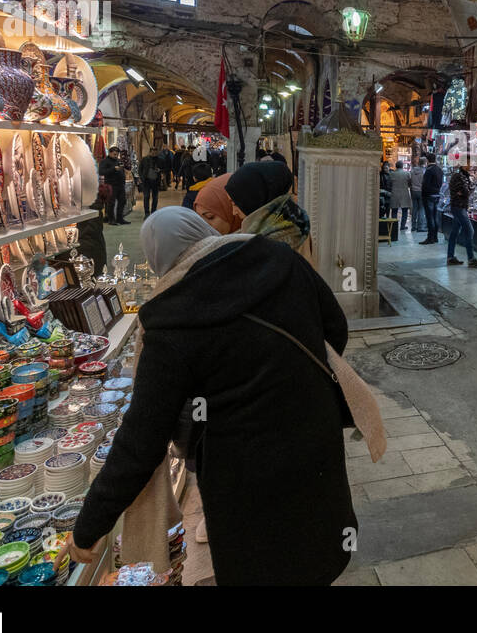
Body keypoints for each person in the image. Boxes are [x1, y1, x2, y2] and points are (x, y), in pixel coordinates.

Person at [61, 207, 361, 585]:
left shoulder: (171, 319)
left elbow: (142, 440)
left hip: (243, 473)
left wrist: (89, 526)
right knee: (317, 547)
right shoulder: (279, 259)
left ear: (158, 261)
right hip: (314, 438)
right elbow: (335, 329)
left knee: (264, 565)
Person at [446, 162, 477, 268]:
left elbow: (465, 191)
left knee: (455, 232)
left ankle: (450, 257)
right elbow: (465, 191)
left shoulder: (463, 176)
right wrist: (471, 185)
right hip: (458, 207)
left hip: (460, 206)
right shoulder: (459, 176)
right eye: (469, 162)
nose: (471, 165)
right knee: (469, 230)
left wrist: (467, 189)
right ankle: (471, 259)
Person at [98, 146, 129, 225]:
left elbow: (121, 170)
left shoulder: (118, 160)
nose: (116, 156)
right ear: (110, 153)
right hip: (111, 185)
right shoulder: (104, 161)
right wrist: (113, 169)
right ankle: (111, 219)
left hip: (120, 185)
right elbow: (101, 172)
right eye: (114, 154)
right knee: (111, 203)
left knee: (122, 201)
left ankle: (120, 218)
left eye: (117, 154)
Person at [420, 155, 443, 245]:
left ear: (427, 160)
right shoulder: (439, 170)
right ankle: (435, 237)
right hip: (437, 195)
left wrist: (424, 194)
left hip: (429, 196)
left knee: (430, 218)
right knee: (435, 217)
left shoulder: (429, 171)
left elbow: (425, 185)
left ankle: (430, 238)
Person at [389, 161, 412, 232]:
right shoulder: (407, 173)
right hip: (404, 193)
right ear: (402, 166)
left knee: (394, 210)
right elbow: (410, 183)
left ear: (396, 166)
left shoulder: (392, 174)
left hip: (394, 193)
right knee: (405, 211)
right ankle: (402, 226)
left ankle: (394, 226)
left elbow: (389, 183)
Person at [138, 150, 162, 217]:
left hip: (156, 181)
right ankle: (147, 213)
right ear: (150, 152)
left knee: (155, 197)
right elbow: (140, 168)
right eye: (152, 152)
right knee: (146, 196)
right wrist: (141, 177)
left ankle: (153, 212)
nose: (154, 154)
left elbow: (164, 168)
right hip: (146, 181)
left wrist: (160, 170)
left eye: (155, 152)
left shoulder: (159, 159)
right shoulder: (145, 159)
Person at [409, 158, 427, 232]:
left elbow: (409, 180)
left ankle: (413, 226)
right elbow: (425, 182)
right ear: (425, 162)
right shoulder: (424, 171)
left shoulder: (412, 170)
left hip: (413, 191)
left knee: (414, 209)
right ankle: (420, 227)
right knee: (421, 209)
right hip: (421, 191)